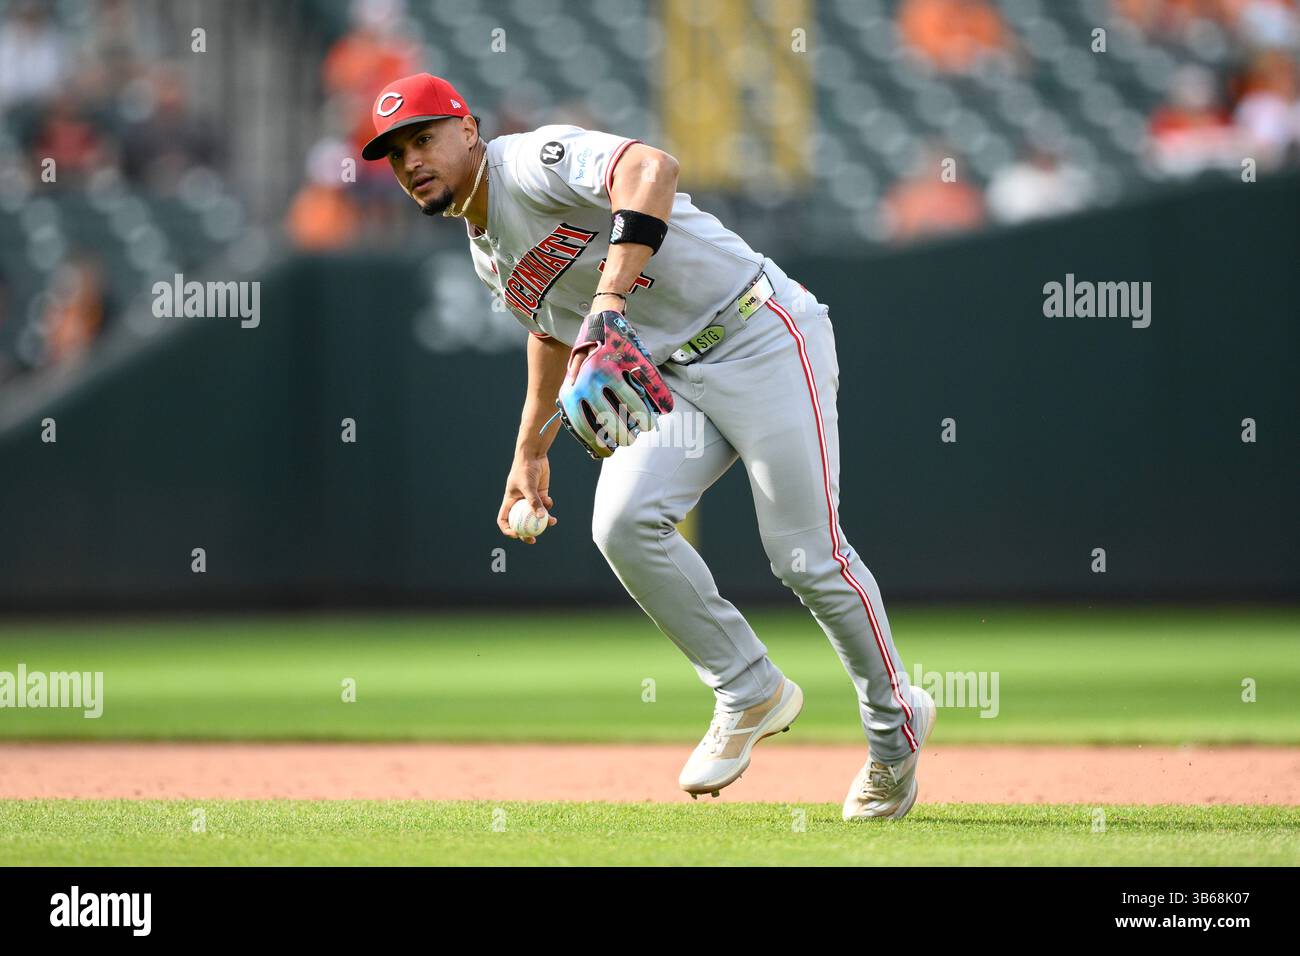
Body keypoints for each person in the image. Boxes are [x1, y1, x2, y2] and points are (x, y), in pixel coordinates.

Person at [362, 73, 936, 819]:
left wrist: (609, 298)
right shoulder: (486, 249)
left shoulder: (530, 161)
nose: (411, 162)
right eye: (395, 153)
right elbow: (549, 328)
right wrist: (529, 450)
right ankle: (749, 689)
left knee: (807, 557)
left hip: (759, 333)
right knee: (623, 523)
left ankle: (894, 735)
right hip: (676, 377)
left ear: (468, 129)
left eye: (423, 138)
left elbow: (651, 168)